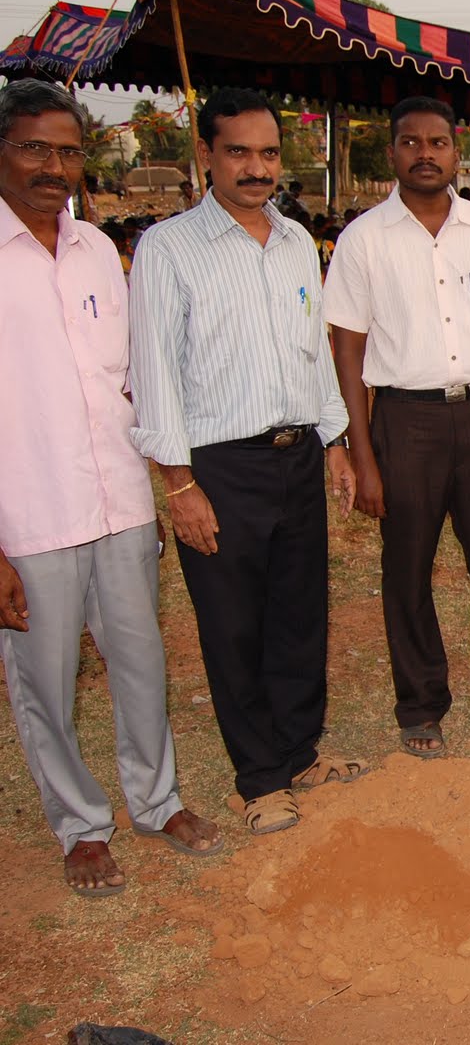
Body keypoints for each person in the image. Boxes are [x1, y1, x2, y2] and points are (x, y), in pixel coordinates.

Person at [0, 79, 222, 896]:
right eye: (34, 147)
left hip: (120, 502)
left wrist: (163, 487)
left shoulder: (98, 249)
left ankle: (156, 802)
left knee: (140, 662)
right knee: (45, 683)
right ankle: (80, 826)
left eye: (68, 152)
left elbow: (130, 379)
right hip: (29, 515)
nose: (52, 167)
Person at [128, 88, 364, 836]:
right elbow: (154, 371)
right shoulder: (168, 249)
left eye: (268, 153)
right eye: (239, 152)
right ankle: (259, 779)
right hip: (218, 467)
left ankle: (299, 752)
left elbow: (314, 351)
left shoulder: (296, 241)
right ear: (206, 155)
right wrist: (180, 484)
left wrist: (336, 442)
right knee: (234, 626)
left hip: (298, 456)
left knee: (300, 613)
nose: (257, 168)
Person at [324, 96, 470, 759]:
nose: (424, 154)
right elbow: (347, 351)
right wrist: (362, 454)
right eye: (410, 142)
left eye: (437, 142)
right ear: (391, 152)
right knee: (407, 568)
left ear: (457, 152)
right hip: (406, 420)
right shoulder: (364, 239)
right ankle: (420, 704)